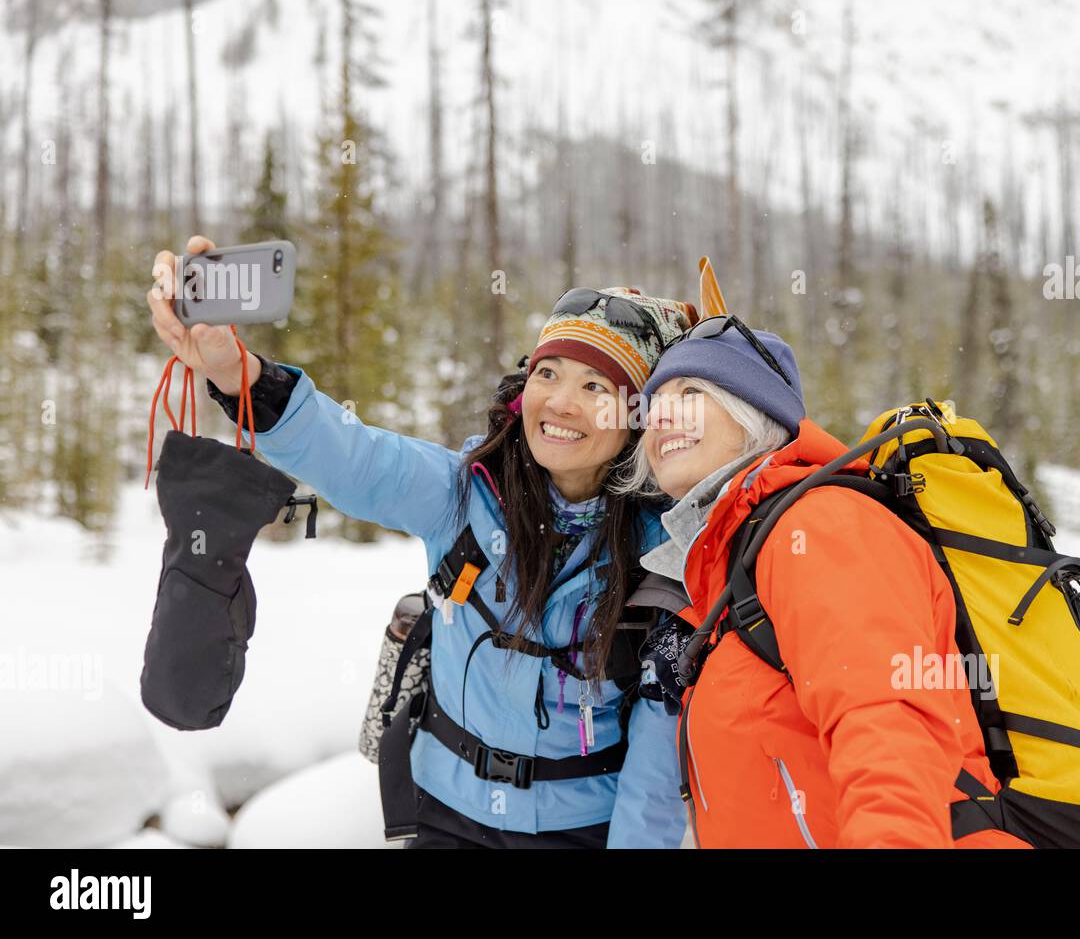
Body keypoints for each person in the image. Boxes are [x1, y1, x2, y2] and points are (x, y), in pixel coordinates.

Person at [145, 235, 696, 848]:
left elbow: (657, 759)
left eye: (597, 387)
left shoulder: (665, 553)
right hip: (443, 816)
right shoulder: (462, 492)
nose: (561, 403)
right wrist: (235, 373)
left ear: (637, 414)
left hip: (581, 830)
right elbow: (355, 458)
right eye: (548, 372)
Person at [618, 315, 1033, 848]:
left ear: (755, 414)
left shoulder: (821, 527)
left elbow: (888, 729)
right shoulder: (732, 559)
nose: (662, 415)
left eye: (692, 391)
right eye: (652, 404)